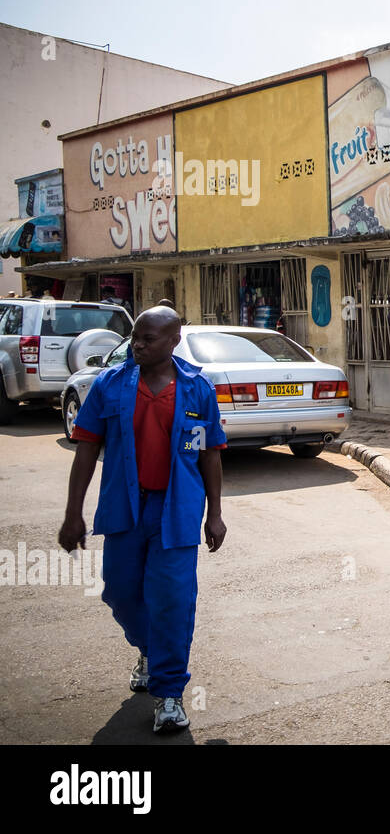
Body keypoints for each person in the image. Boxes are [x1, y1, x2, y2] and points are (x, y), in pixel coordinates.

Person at [58, 306, 227, 734]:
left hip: (177, 510)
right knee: (119, 590)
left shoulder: (197, 389)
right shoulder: (110, 385)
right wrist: (73, 513)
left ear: (173, 341)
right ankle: (149, 651)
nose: (138, 346)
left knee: (172, 601)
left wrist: (216, 514)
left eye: (148, 339)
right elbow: (86, 450)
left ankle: (169, 694)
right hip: (125, 509)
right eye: (135, 337)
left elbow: (209, 454)